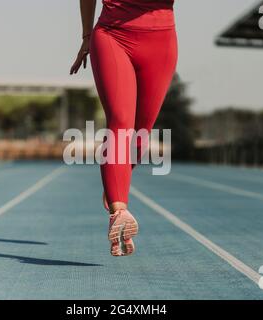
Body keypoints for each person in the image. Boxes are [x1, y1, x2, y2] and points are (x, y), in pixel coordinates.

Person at [70, 0, 178, 256]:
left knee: (139, 139)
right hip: (111, 36)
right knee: (120, 123)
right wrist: (87, 35)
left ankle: (114, 181)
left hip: (160, 41)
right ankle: (118, 211)